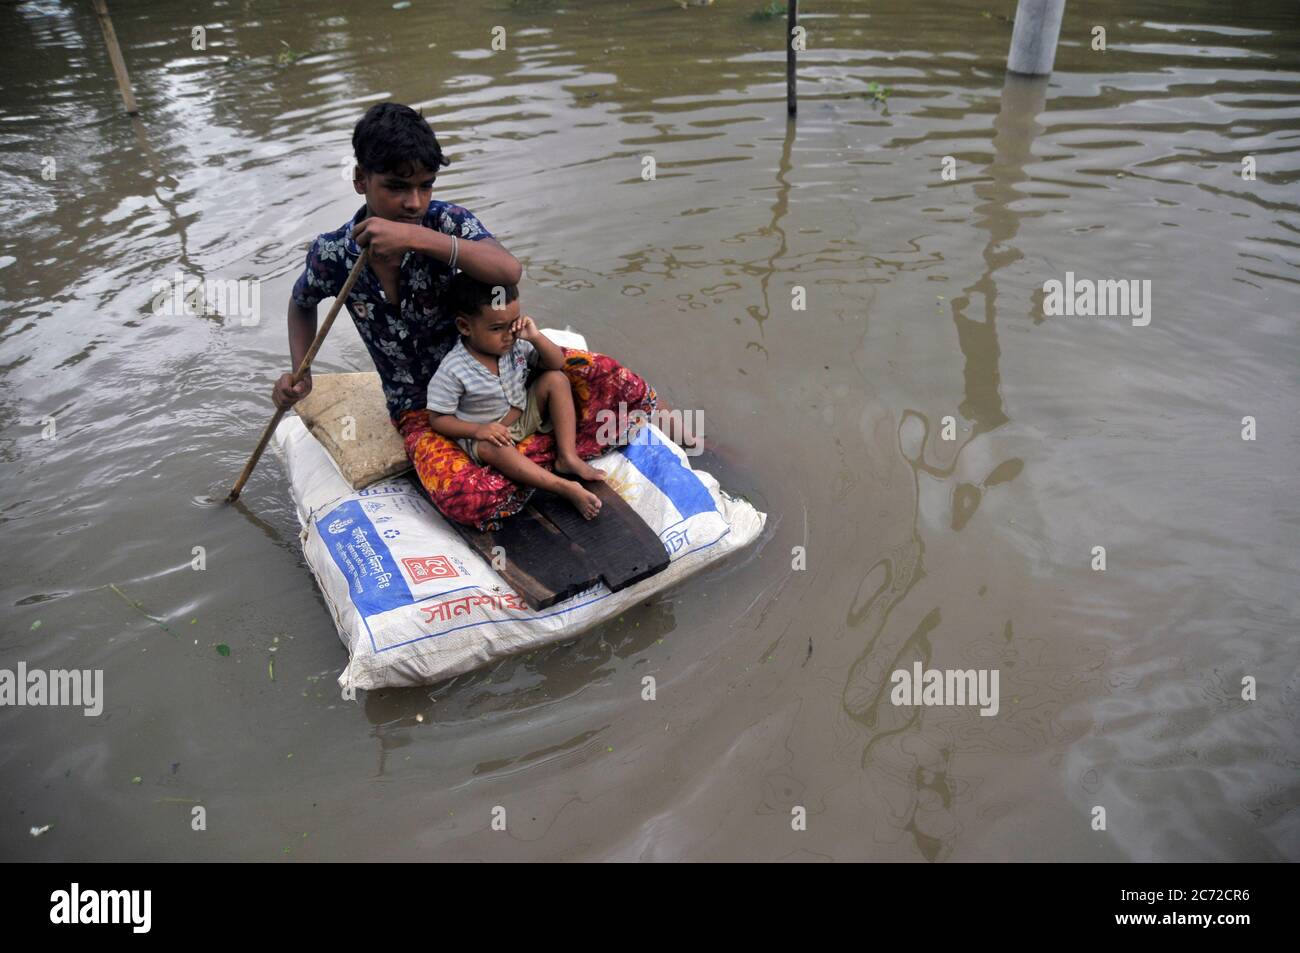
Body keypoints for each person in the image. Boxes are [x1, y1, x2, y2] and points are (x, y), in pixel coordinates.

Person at [273, 102, 664, 530]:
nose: (414, 202)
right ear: (360, 181)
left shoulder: (444, 222)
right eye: (397, 187)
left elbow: (508, 271)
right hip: (427, 408)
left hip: (502, 373)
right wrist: (301, 370)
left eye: (425, 186)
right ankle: (535, 460)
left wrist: (419, 238)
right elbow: (302, 303)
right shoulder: (333, 254)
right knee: (465, 496)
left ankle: (562, 451)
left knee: (611, 379)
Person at [427, 274, 607, 520]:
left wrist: (535, 336)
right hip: (491, 433)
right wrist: (478, 430)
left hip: (524, 413)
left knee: (556, 379)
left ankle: (567, 456)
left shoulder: (517, 344)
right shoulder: (454, 369)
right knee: (492, 446)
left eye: (513, 324)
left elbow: (556, 362)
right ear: (465, 326)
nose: (508, 335)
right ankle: (562, 487)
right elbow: (438, 419)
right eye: (496, 328)